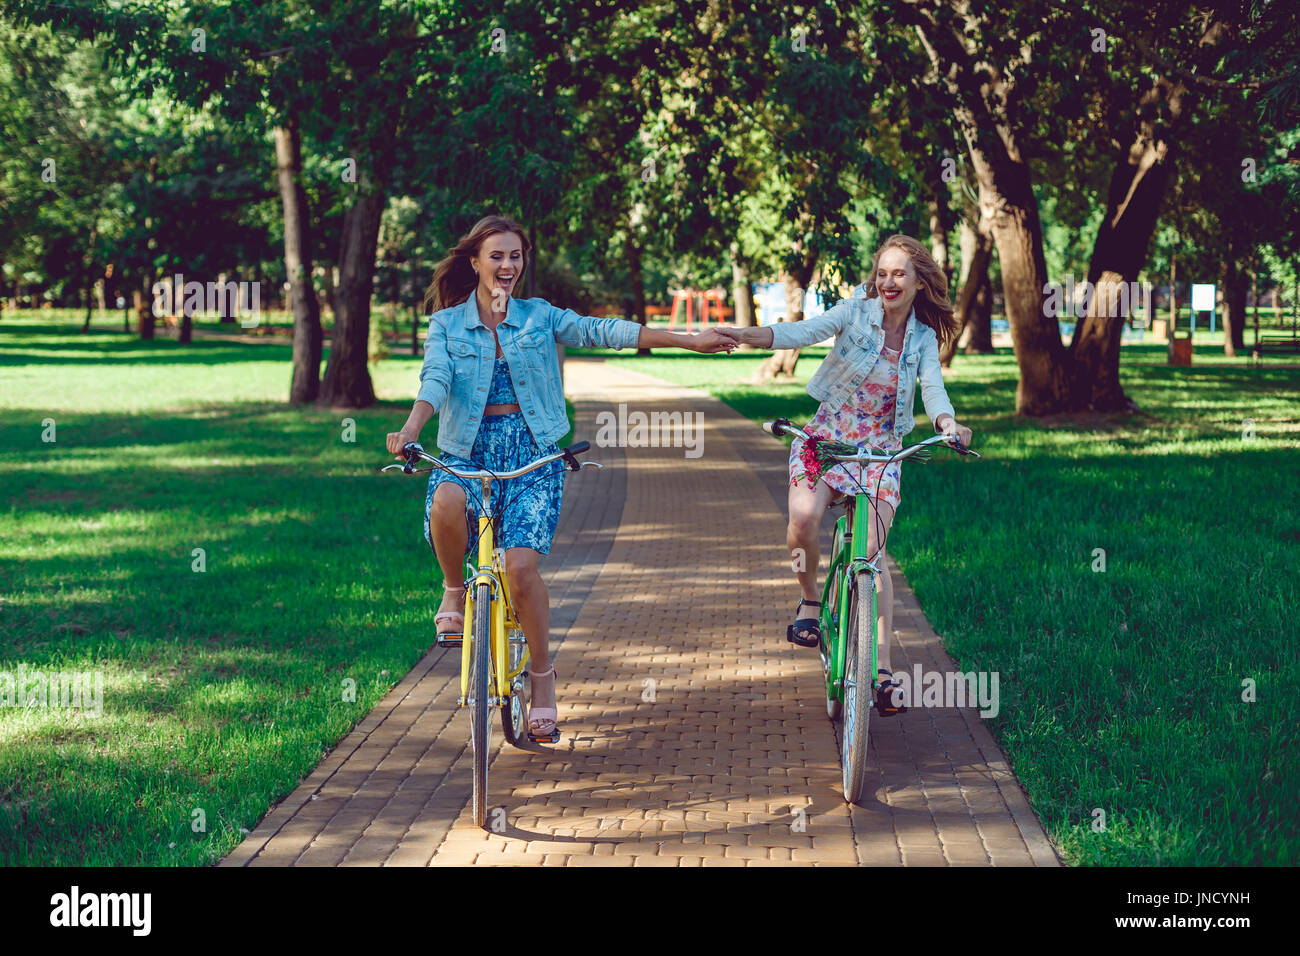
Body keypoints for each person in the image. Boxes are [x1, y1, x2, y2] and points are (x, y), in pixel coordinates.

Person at [385, 215, 735, 741]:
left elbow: (605, 331)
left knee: (521, 571)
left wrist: (689, 342)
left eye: (516, 256)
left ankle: (542, 677)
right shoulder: (447, 325)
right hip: (467, 447)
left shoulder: (538, 316)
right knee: (445, 503)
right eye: (497, 256)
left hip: (533, 453)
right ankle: (454, 592)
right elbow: (434, 379)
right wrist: (411, 428)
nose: (507, 266)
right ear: (475, 261)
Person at [717, 235, 973, 716]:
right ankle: (811, 603)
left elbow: (933, 389)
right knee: (801, 522)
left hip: (879, 454)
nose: (888, 281)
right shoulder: (854, 312)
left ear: (919, 281)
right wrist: (746, 335)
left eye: (899, 274)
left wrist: (946, 423)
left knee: (871, 559)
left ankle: (880, 670)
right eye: (882, 272)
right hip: (829, 440)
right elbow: (803, 332)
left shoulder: (921, 337)